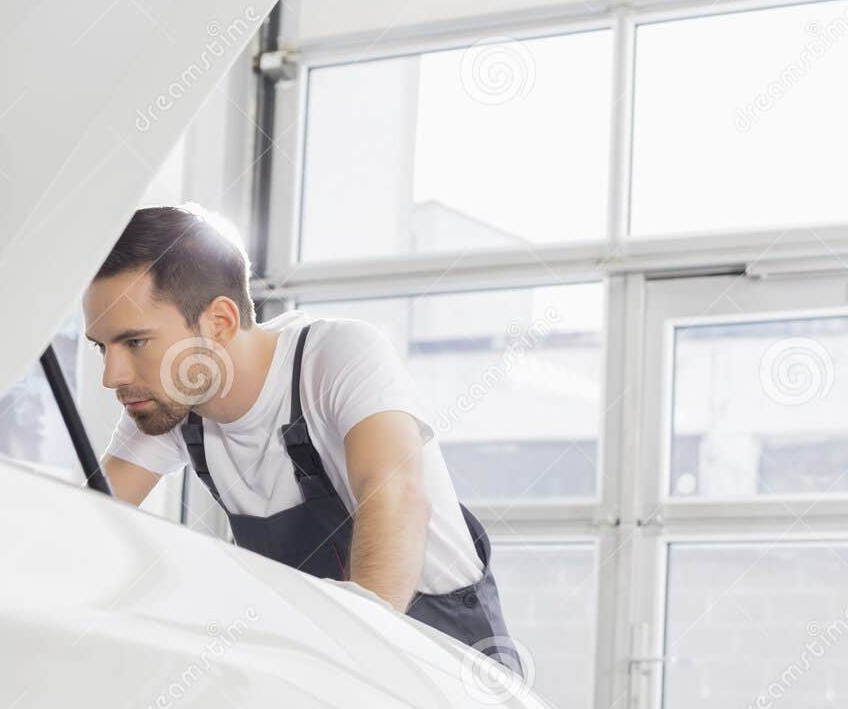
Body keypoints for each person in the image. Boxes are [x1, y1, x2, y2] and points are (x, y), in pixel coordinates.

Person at [83, 205, 521, 675]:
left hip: (455, 669)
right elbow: (85, 529)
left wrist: (350, 667)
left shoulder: (335, 357)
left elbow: (395, 495)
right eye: (100, 347)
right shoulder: (166, 401)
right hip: (329, 670)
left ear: (220, 323)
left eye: (135, 343)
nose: (112, 376)